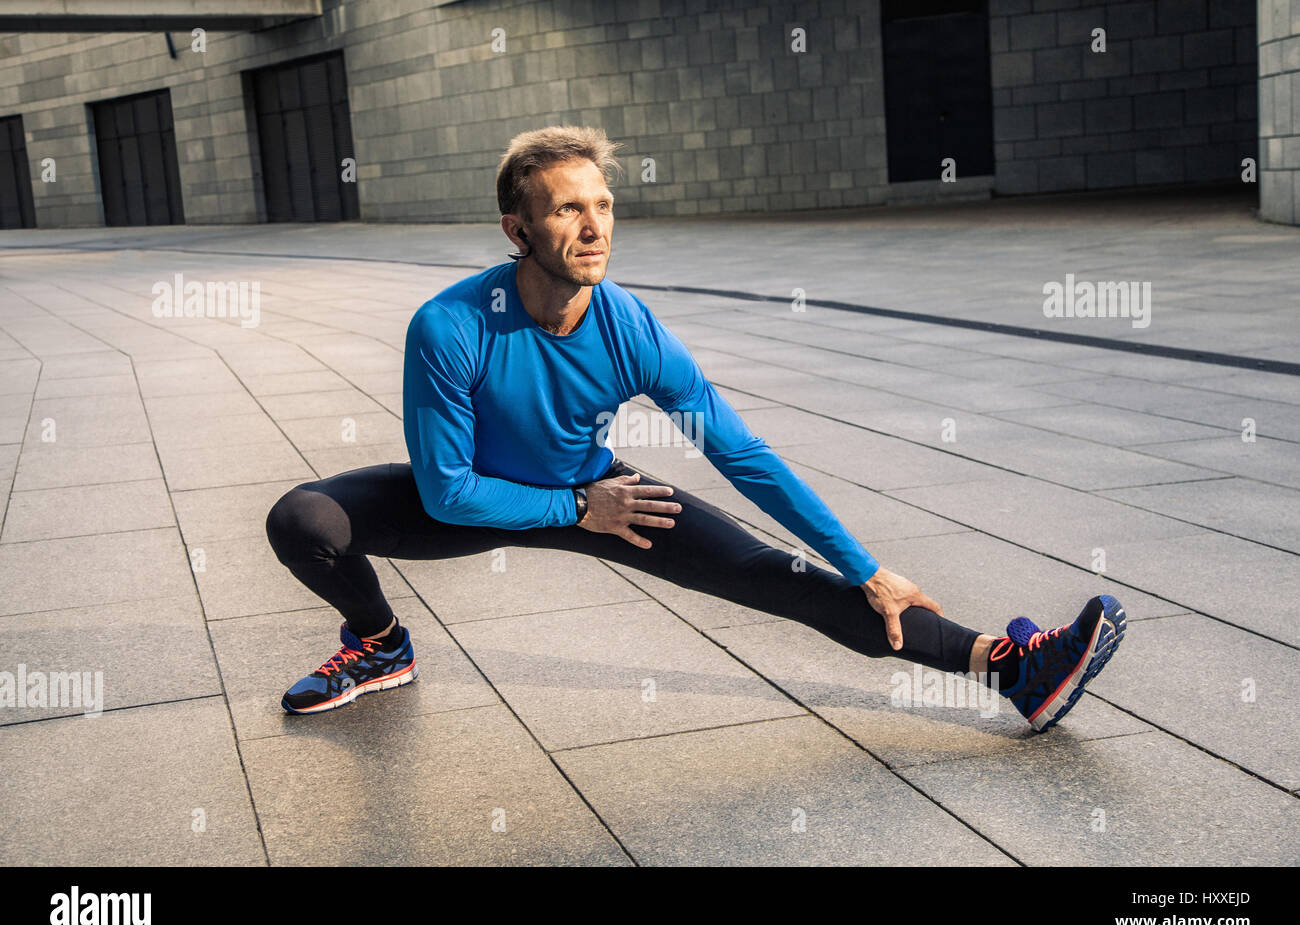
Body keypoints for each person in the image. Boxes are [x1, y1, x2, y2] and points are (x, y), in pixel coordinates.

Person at [265, 125, 1125, 732]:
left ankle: (1015, 669)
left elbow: (738, 453)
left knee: (770, 575)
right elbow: (450, 491)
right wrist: (573, 513)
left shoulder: (629, 326)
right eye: (567, 210)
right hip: (487, 498)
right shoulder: (450, 326)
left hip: (597, 491)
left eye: (603, 204)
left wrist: (865, 565)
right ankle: (380, 648)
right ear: (517, 229)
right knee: (303, 520)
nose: (595, 226)